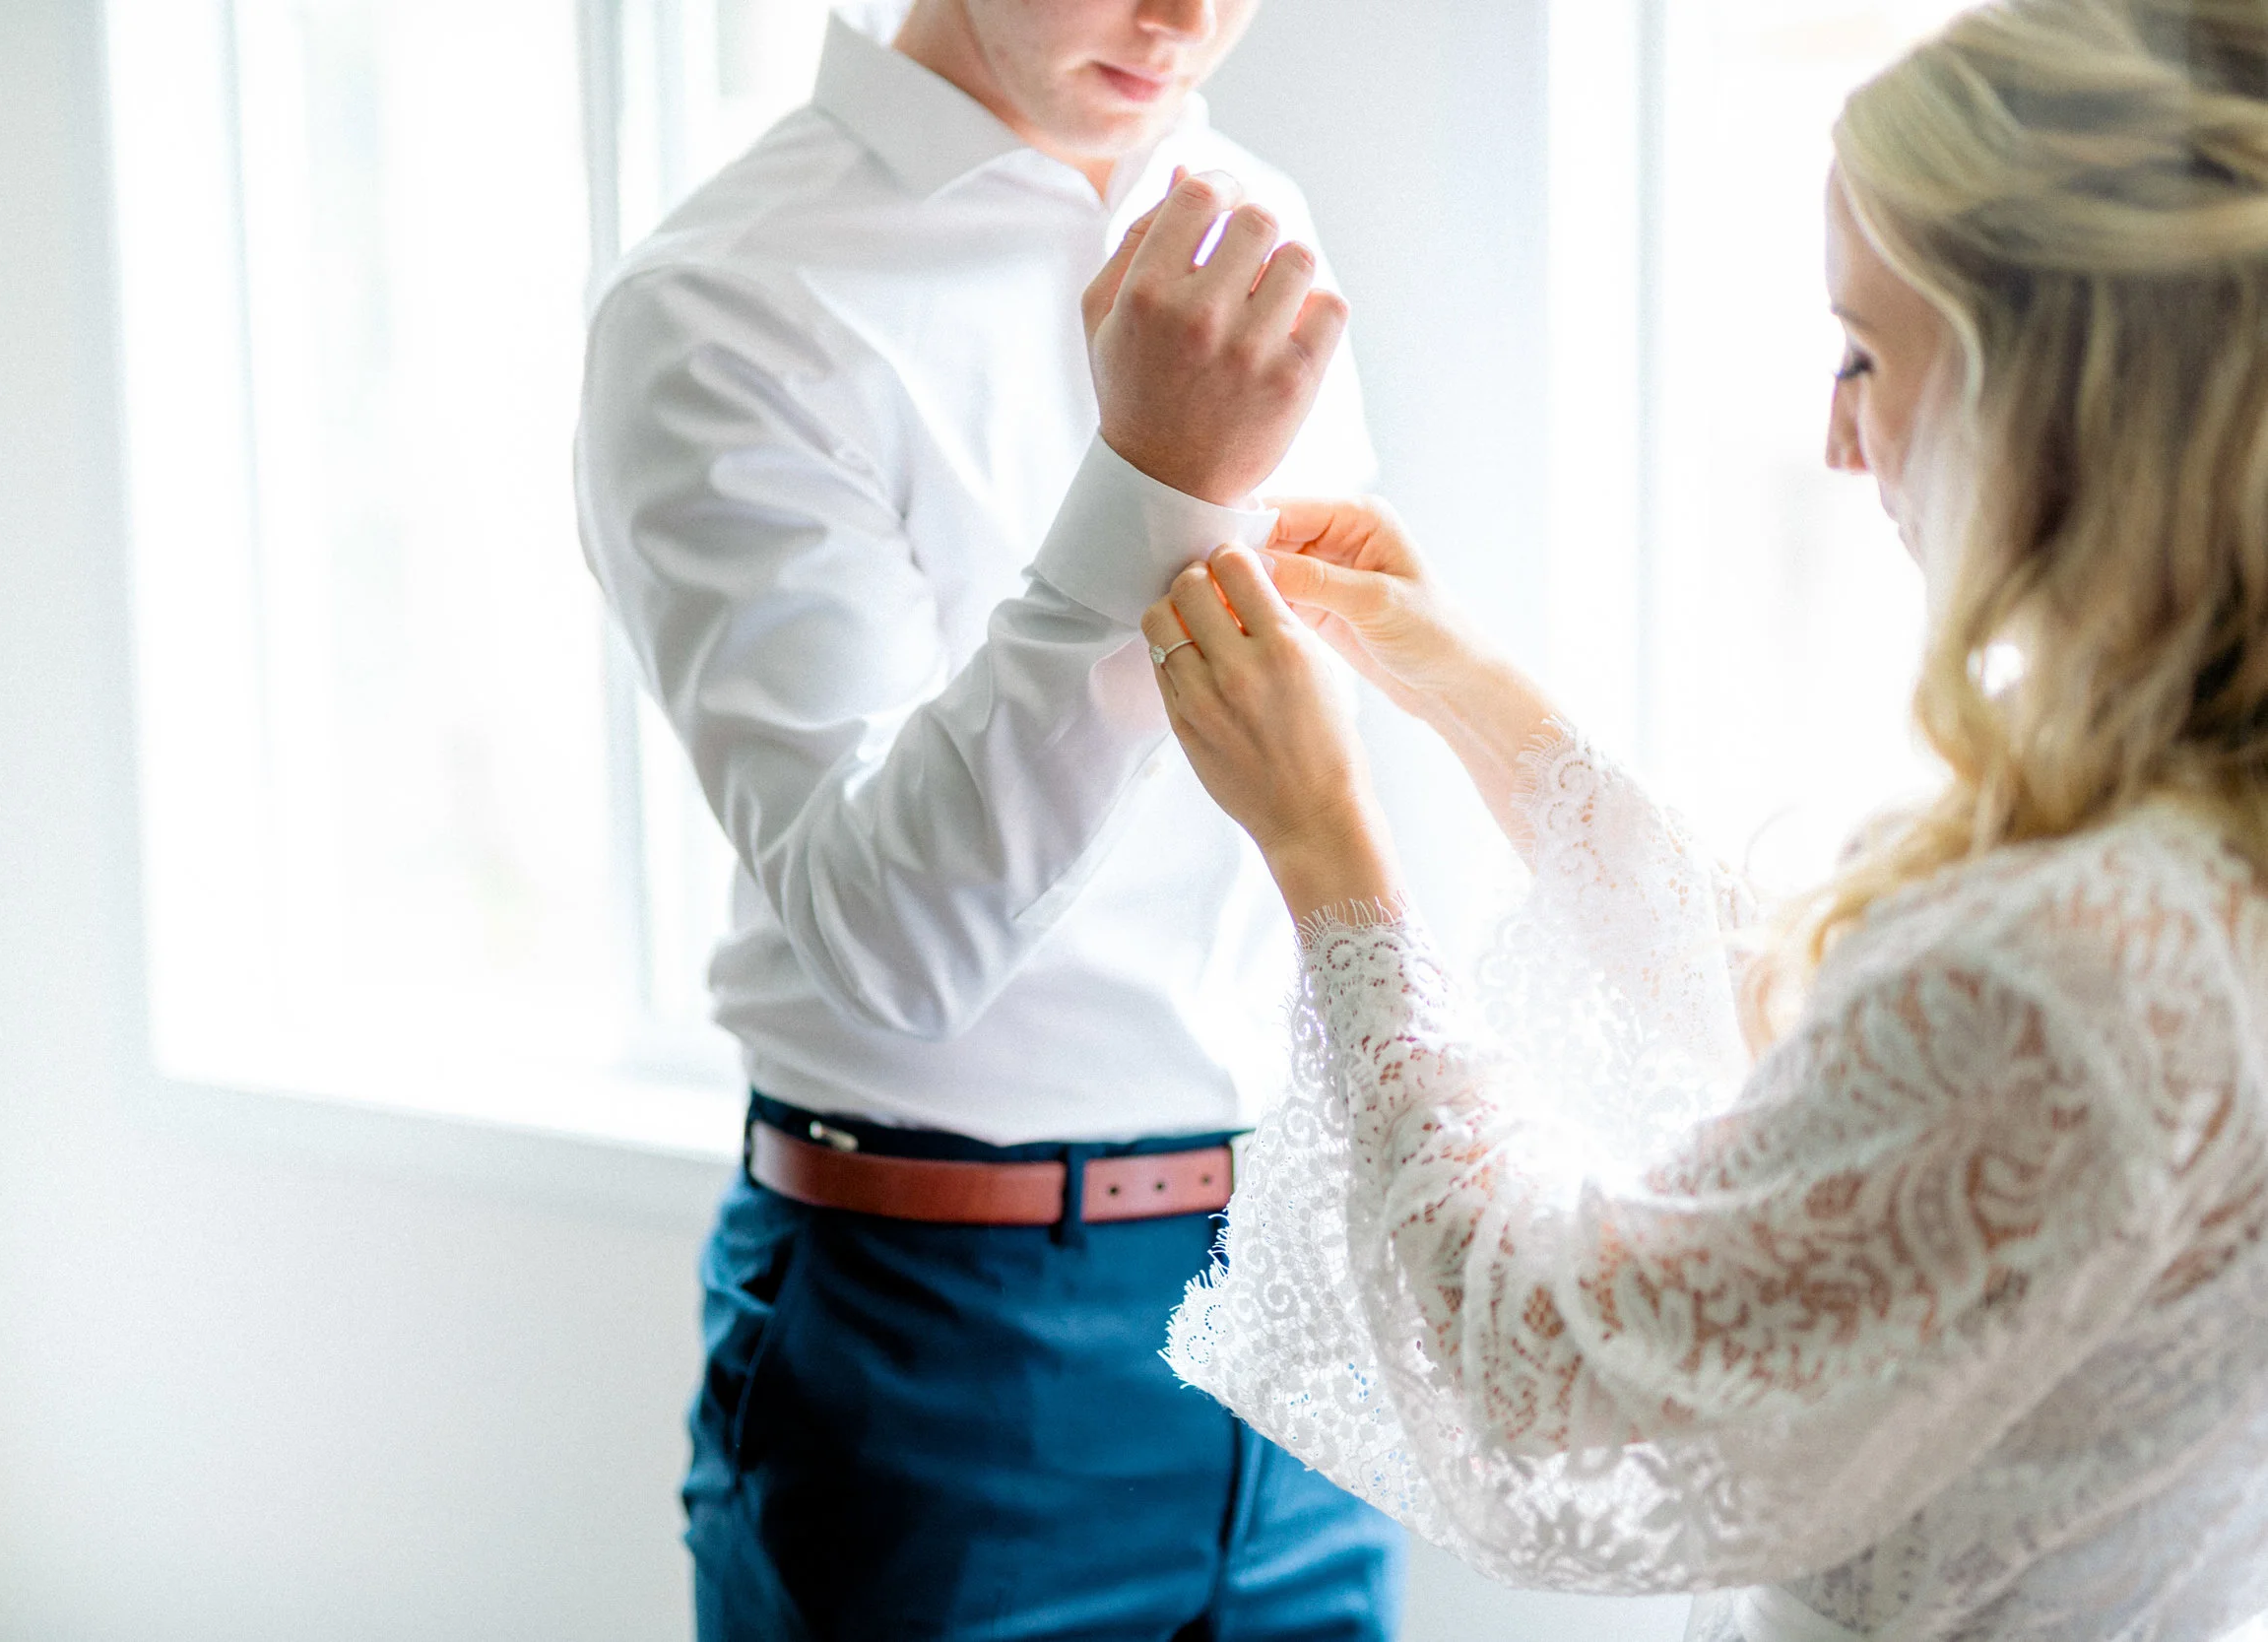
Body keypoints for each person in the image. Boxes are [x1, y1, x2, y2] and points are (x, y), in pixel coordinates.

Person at [1085, 0, 2268, 1638]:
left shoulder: (2074, 963)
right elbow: (1816, 1027)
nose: (1839, 438)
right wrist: (1480, 698)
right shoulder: (2193, 847)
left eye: (1864, 355)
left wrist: (1328, 851)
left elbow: (1539, 1349)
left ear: (2062, 392)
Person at [572, 0, 1401, 1635]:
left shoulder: (1251, 216)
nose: (1185, 17)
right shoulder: (723, 303)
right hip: (946, 1360)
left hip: (1308, 1302)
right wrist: (1152, 485)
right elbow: (893, 943)